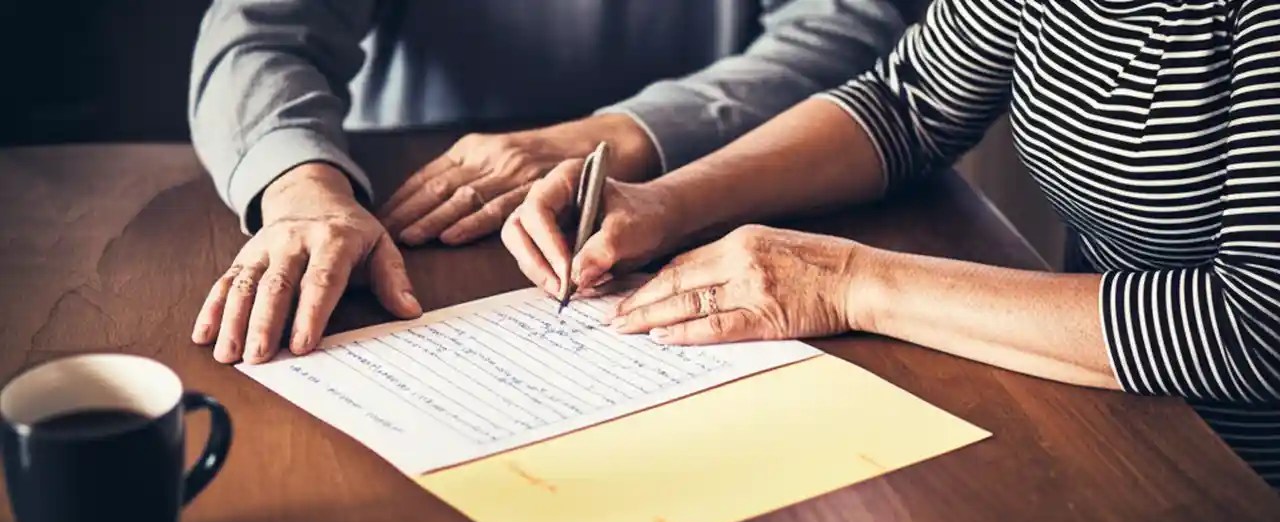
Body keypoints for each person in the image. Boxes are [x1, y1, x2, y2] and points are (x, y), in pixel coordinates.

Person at [509, 0, 1280, 484]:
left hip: (1238, 485)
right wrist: (666, 201)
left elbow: (1253, 327)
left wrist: (848, 281)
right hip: (1121, 423)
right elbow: (905, 105)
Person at [186, 0, 907, 365]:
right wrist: (302, 188)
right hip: (413, 224)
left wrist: (622, 133)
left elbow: (853, 38)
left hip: (711, 191)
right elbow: (258, 31)